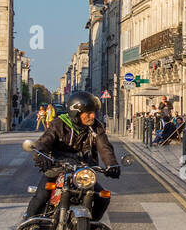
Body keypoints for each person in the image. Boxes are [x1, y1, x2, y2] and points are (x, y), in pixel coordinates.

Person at [23, 90, 120, 221]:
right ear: (76, 113)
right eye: (89, 113)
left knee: (103, 197)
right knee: (41, 196)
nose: (92, 116)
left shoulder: (96, 127)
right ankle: (28, 222)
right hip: (57, 168)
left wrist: (111, 164)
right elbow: (44, 141)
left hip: (83, 170)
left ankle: (91, 226)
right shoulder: (59, 123)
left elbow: (104, 147)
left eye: (94, 112)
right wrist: (40, 154)